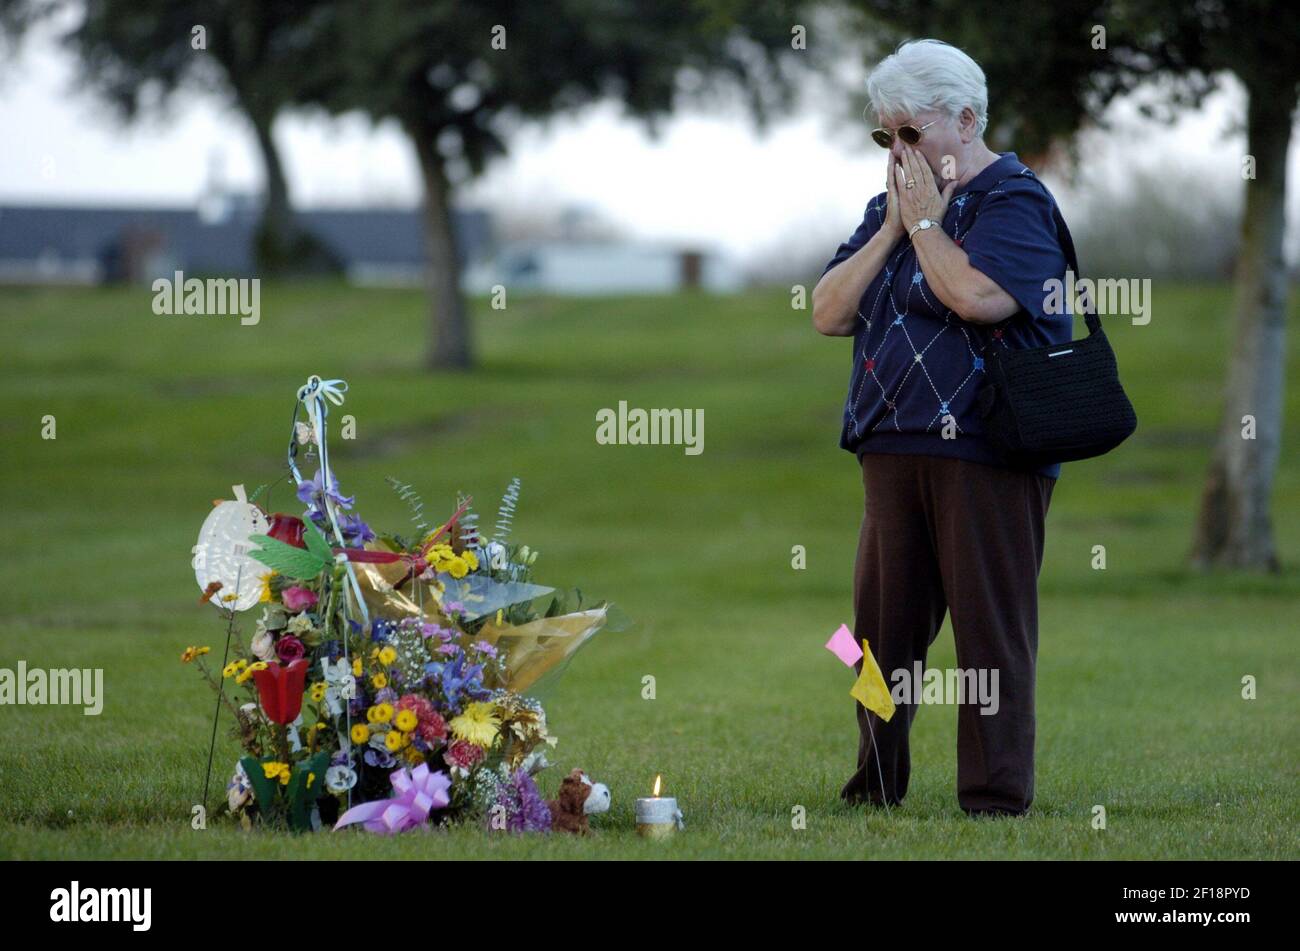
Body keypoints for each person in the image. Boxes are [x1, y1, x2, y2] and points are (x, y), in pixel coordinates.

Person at [812, 38, 1073, 817]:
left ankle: (993, 795)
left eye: (910, 134)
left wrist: (924, 225)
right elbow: (828, 311)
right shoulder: (886, 209)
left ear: (965, 119)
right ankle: (875, 780)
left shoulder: (1017, 201)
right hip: (891, 444)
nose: (897, 152)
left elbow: (975, 297)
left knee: (991, 634)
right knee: (873, 637)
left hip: (990, 449)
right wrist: (894, 227)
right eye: (884, 137)